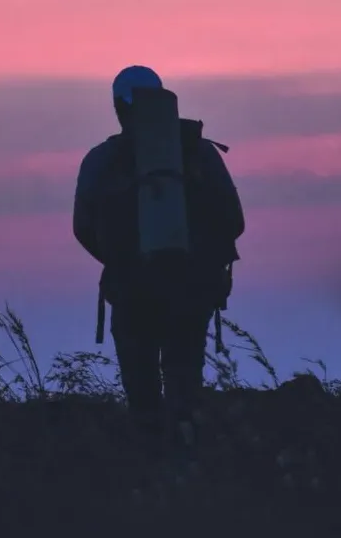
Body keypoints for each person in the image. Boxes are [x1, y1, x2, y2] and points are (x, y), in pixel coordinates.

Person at [73, 66, 245, 452]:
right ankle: (190, 472)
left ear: (118, 106)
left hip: (132, 293)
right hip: (192, 293)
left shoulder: (101, 160)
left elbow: (82, 228)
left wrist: (121, 262)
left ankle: (151, 476)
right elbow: (234, 219)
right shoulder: (199, 151)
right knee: (185, 389)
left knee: (142, 399)